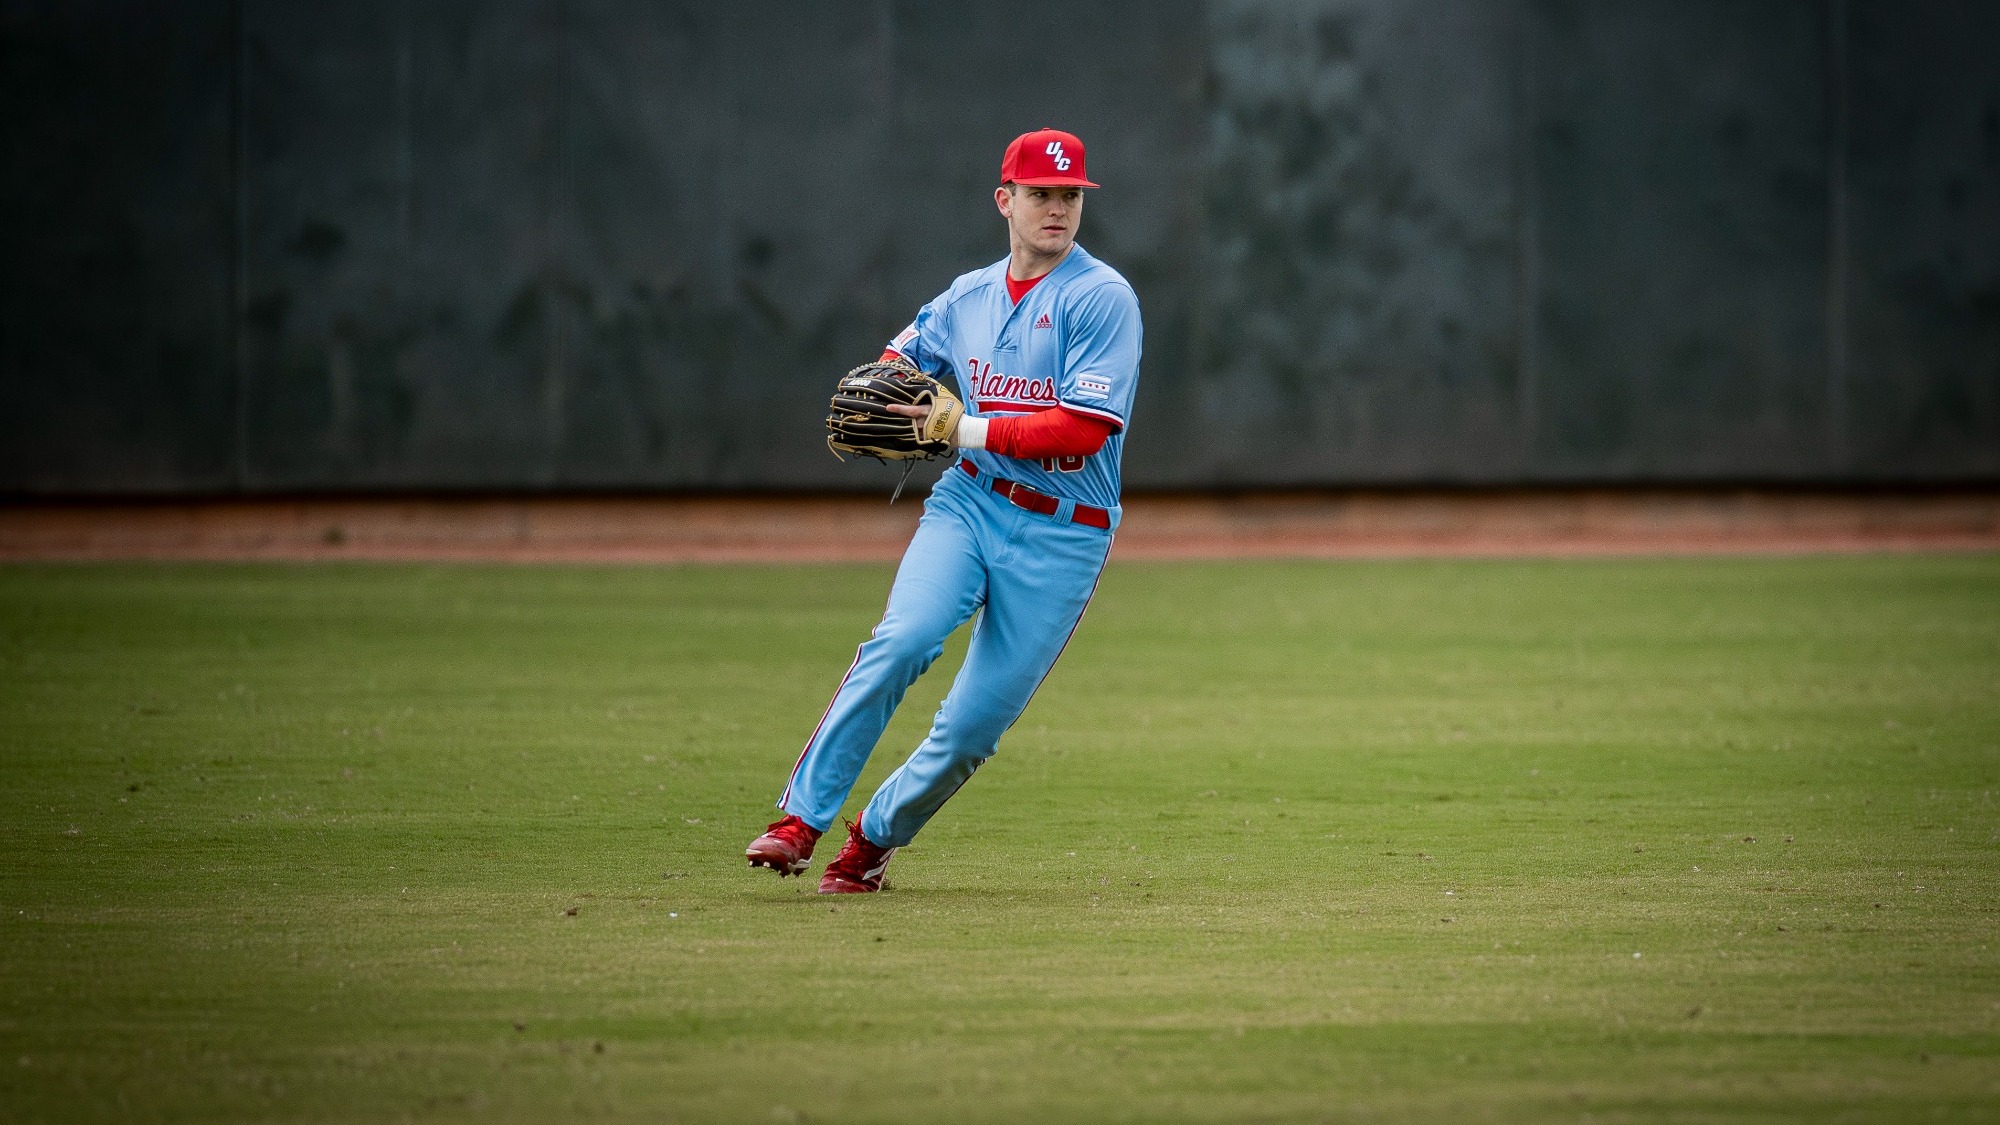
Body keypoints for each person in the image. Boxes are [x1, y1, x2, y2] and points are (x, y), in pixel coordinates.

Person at [746, 127, 1142, 894]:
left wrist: (960, 425)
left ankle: (872, 839)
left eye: (1070, 195)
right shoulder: (966, 297)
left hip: (1066, 537)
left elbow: (1081, 428)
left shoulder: (1103, 299)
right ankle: (800, 820)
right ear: (1006, 200)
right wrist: (899, 388)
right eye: (1040, 194)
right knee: (902, 641)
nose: (1057, 208)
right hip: (970, 506)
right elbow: (891, 369)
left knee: (970, 730)